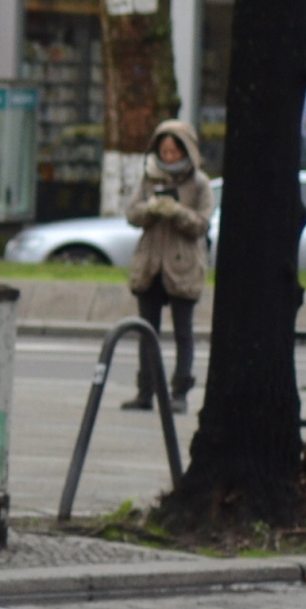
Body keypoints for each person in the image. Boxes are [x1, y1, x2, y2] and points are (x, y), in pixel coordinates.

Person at [121, 118, 212, 410]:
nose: (169, 158)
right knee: (147, 331)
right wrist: (151, 208)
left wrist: (177, 212)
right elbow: (132, 214)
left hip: (183, 266)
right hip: (150, 266)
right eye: (165, 152)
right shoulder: (149, 178)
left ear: (187, 151)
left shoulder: (199, 183)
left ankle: (180, 392)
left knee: (183, 332)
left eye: (175, 152)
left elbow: (203, 223)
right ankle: (145, 391)